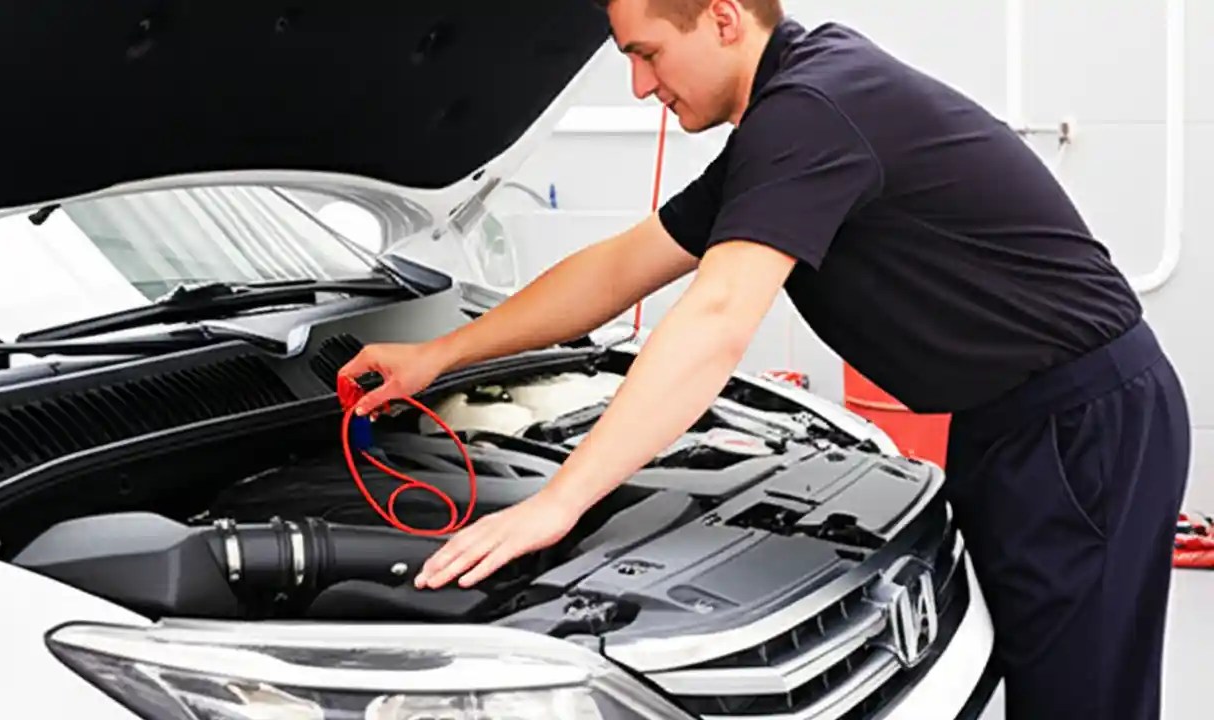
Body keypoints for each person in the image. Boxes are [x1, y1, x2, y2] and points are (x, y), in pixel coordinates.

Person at [338, 1, 1190, 717]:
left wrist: (555, 506)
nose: (641, 86)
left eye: (647, 54)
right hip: (1017, 422)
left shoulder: (812, 112)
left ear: (720, 17)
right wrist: (437, 354)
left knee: (1084, 700)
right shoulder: (791, 113)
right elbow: (620, 268)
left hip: (1079, 427)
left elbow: (715, 318)